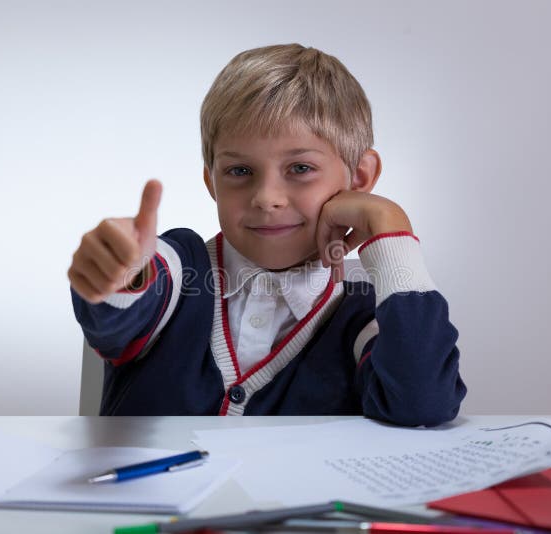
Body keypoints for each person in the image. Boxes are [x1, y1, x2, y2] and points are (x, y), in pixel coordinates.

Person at [68, 44, 466, 425]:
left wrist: (390, 224)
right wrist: (119, 268)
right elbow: (127, 295)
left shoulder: (365, 306)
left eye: (300, 169)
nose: (266, 198)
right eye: (240, 172)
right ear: (212, 183)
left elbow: (422, 401)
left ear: (359, 178)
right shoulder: (181, 267)